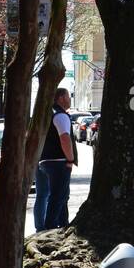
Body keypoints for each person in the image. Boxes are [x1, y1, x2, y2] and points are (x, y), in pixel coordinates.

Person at [35, 88, 77, 231]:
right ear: (60, 98)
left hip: (43, 160)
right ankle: (50, 227)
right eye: (67, 96)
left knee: (49, 196)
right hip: (58, 162)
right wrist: (70, 160)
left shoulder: (45, 115)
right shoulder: (61, 116)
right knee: (58, 196)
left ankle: (62, 224)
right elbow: (65, 138)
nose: (69, 99)